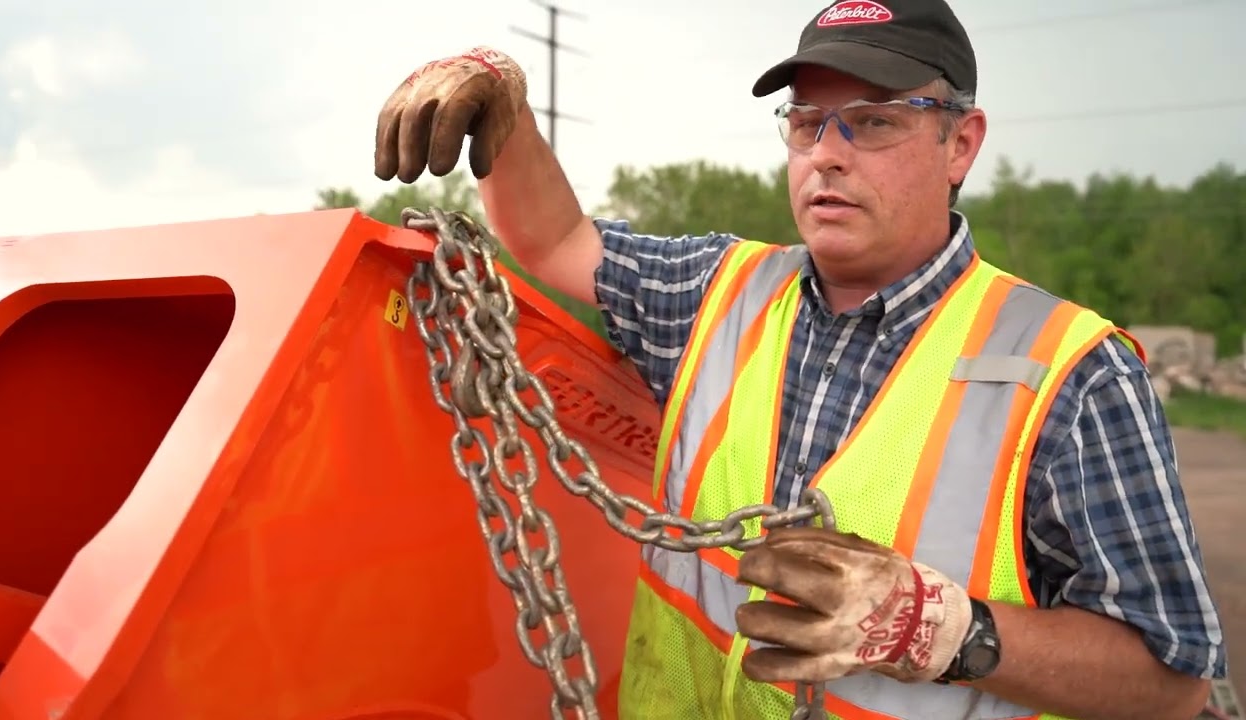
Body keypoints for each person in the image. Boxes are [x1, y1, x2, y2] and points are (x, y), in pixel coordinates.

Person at [372, 0, 1229, 717]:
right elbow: (557, 239)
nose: (828, 152)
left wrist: (944, 631)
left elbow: (1172, 681)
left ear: (961, 144)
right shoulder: (717, 291)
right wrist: (501, 96)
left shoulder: (1070, 374)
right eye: (808, 122)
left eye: (875, 121)